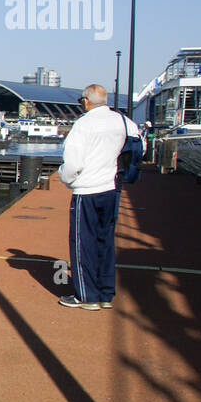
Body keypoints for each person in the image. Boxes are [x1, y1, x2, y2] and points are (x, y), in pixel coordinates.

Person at [56, 84, 136, 310]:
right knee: (105, 240)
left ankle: (85, 296)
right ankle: (105, 293)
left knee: (83, 242)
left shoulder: (83, 124)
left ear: (86, 101)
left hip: (87, 189)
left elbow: (73, 163)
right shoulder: (122, 121)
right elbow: (139, 144)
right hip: (111, 188)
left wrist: (66, 178)